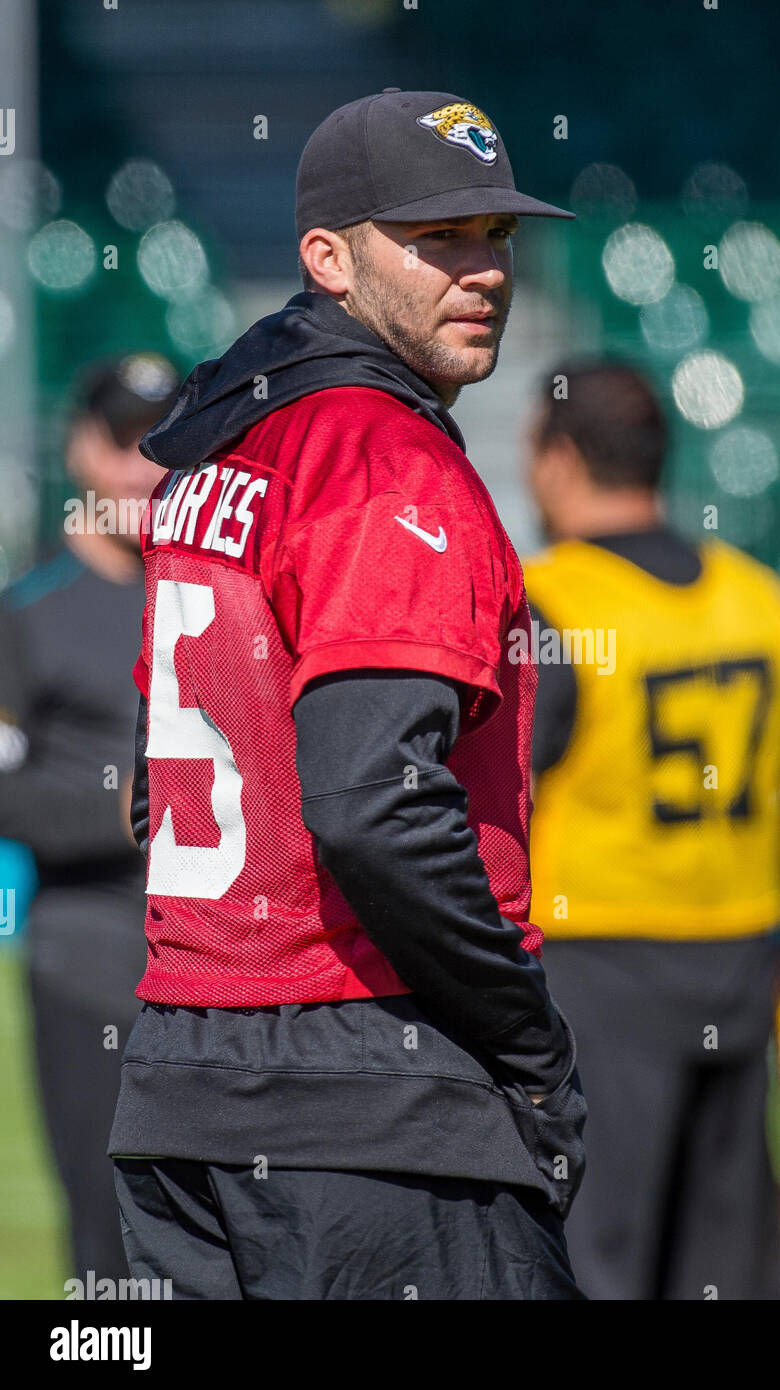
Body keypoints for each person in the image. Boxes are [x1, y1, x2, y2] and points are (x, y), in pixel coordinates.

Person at [108, 89, 587, 1301]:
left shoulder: (216, 441)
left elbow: (146, 792)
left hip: (181, 1079)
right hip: (362, 1073)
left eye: (497, 238)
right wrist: (528, 1043)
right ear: (326, 257)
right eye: (438, 239)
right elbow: (373, 800)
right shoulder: (382, 454)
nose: (481, 272)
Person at [522, 359, 780, 1299]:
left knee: (595, 1258)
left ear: (561, 458)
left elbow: (486, 810)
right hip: (742, 962)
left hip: (598, 969)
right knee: (729, 1265)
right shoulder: (759, 596)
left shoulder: (548, 604)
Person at [0, 352, 180, 1284]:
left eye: (161, 445)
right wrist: (119, 808)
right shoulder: (26, 614)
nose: (140, 469)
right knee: (106, 1256)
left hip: (219, 978)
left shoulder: (216, 598)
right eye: (120, 443)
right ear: (79, 448)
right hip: (88, 967)